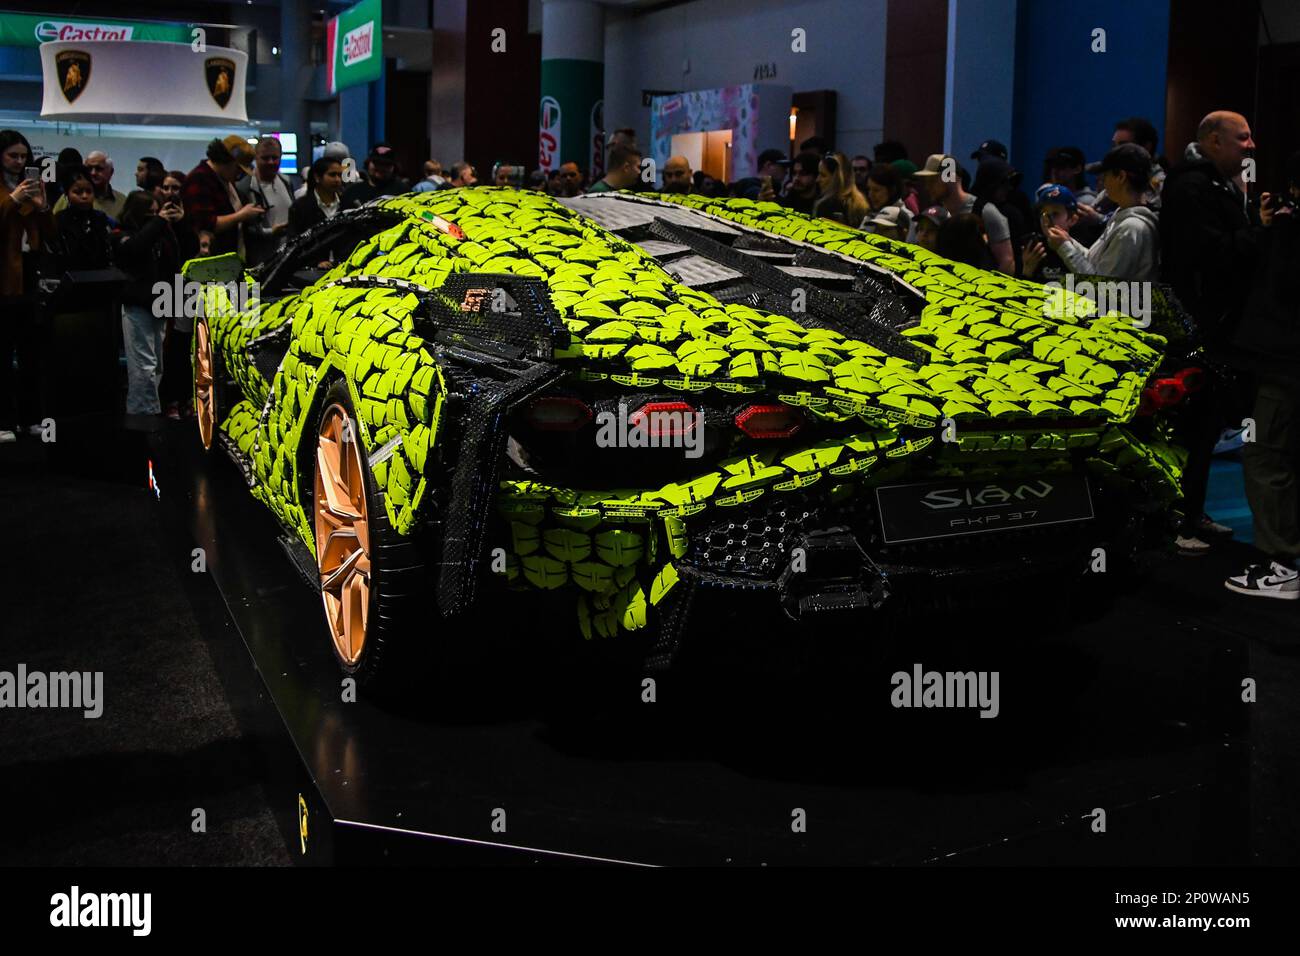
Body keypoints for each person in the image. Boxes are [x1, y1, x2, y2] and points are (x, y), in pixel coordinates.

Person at [1160, 110, 1276, 555]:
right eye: (1242, 138)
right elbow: (1211, 255)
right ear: (1212, 140)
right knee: (1190, 426)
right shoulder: (1191, 187)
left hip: (1218, 326)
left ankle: (1191, 512)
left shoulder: (1219, 185)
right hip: (1197, 329)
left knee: (1207, 427)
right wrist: (1261, 232)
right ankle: (1175, 517)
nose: (1251, 146)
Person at [1223, 150, 1300, 598]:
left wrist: (1278, 232)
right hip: (1288, 364)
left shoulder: (1292, 233)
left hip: (1286, 365)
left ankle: (1281, 565)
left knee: (1265, 456)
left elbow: (1282, 286)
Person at [0, 129, 56, 443]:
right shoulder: (9, 191)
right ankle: (4, 420)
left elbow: (48, 234)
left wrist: (40, 205)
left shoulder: (32, 187)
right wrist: (13, 200)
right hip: (4, 280)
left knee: (31, 355)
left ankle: (31, 418)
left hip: (29, 276)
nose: (19, 162)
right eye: (13, 155)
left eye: (23, 156)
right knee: (3, 356)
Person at [1042, 144, 1159, 282]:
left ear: (1121, 177)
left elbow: (1103, 289)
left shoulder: (1131, 228)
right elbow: (1093, 261)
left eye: (1106, 175)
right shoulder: (1121, 215)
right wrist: (1067, 241)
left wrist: (1064, 247)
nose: (1103, 181)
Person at [115, 190, 182, 416]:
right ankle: (144, 414)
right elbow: (133, 250)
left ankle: (150, 411)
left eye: (157, 212)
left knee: (157, 366)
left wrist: (174, 224)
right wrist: (159, 222)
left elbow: (177, 258)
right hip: (137, 303)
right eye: (149, 214)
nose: (154, 217)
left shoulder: (161, 233)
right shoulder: (122, 234)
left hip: (160, 302)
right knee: (143, 366)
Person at [184, 137, 262, 258]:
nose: (239, 176)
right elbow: (206, 224)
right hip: (210, 264)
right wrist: (241, 215)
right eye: (238, 170)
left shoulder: (225, 180)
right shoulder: (200, 179)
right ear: (227, 161)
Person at [237, 136, 294, 265]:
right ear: (256, 158)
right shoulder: (245, 187)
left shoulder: (286, 181)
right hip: (259, 260)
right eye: (265, 158)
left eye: (275, 158)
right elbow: (244, 230)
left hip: (286, 256)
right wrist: (271, 232)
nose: (271, 162)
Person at [963, 157, 1020, 274]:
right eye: (1003, 184)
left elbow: (1010, 260)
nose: (1009, 188)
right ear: (990, 184)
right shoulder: (970, 211)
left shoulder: (1012, 213)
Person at [288, 156, 345, 261]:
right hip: (310, 270)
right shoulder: (300, 207)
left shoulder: (347, 204)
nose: (337, 179)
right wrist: (314, 262)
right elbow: (294, 243)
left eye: (340, 175)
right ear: (317, 177)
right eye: (332, 175)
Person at [1021, 184, 1077, 281]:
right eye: (1044, 213)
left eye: (1055, 214)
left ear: (1072, 219)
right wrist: (1027, 271)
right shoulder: (1034, 250)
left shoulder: (1081, 250)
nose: (1047, 220)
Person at [52, 150, 125, 220]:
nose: (93, 173)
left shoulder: (122, 201)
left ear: (111, 172)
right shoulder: (67, 199)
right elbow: (53, 225)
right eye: (89, 168)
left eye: (99, 169)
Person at [341, 143, 406, 208]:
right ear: (368, 163)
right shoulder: (352, 192)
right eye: (377, 163)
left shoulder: (404, 193)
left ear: (394, 167)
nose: (381, 167)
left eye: (386, 164)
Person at [812, 152, 867, 225]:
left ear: (837, 179)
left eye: (823, 175)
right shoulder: (861, 204)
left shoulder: (826, 206)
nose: (817, 179)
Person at [861, 163, 912, 237]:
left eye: (876, 190)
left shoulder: (907, 217)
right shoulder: (869, 216)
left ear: (892, 190)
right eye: (869, 189)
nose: (870, 195)